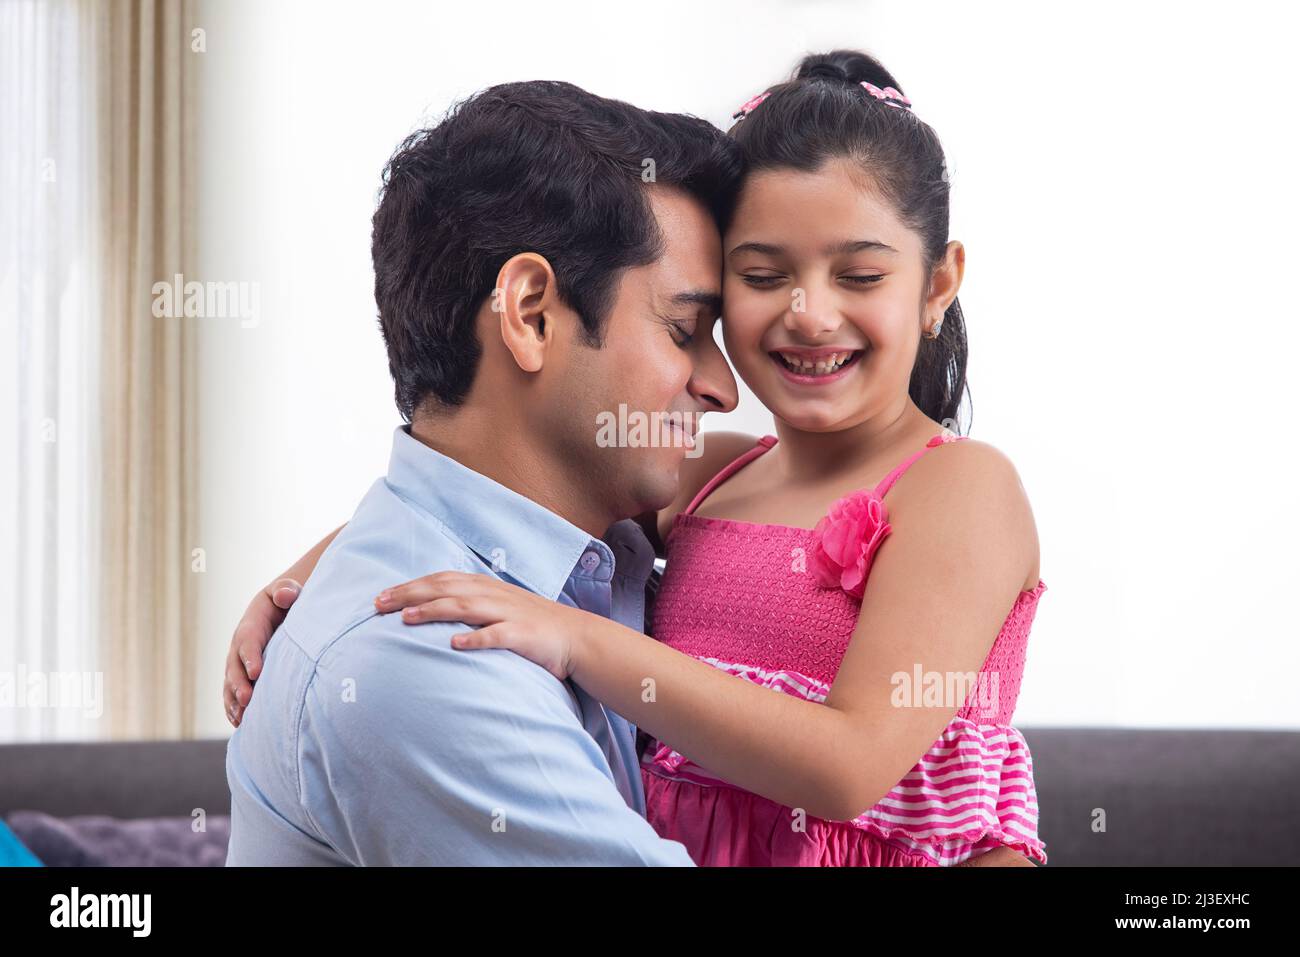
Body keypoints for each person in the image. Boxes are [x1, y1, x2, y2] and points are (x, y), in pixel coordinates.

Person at [228, 51, 1047, 867]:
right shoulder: (710, 477)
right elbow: (453, 509)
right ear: (530, 316)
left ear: (938, 285)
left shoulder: (956, 487)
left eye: (860, 273)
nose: (810, 313)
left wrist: (577, 637)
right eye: (759, 278)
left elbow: (850, 764)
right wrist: (312, 581)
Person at [224, 79, 743, 865]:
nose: (722, 386)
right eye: (684, 329)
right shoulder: (425, 656)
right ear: (531, 313)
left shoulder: (597, 564)